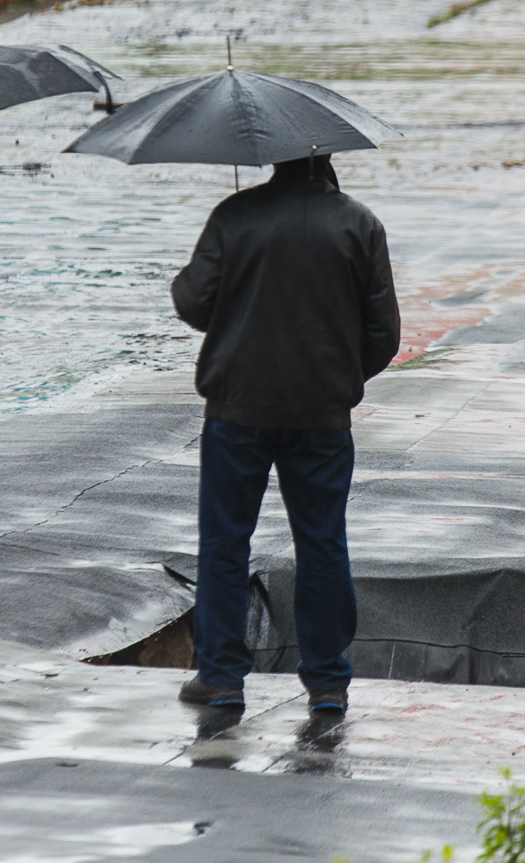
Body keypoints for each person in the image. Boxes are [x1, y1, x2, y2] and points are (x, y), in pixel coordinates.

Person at [170, 153, 400, 713]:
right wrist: (341, 377)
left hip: (237, 411)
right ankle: (326, 682)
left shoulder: (234, 215)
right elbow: (385, 334)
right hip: (322, 415)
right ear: (327, 156)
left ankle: (222, 675)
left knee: (225, 542)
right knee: (322, 543)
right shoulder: (360, 224)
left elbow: (191, 302)